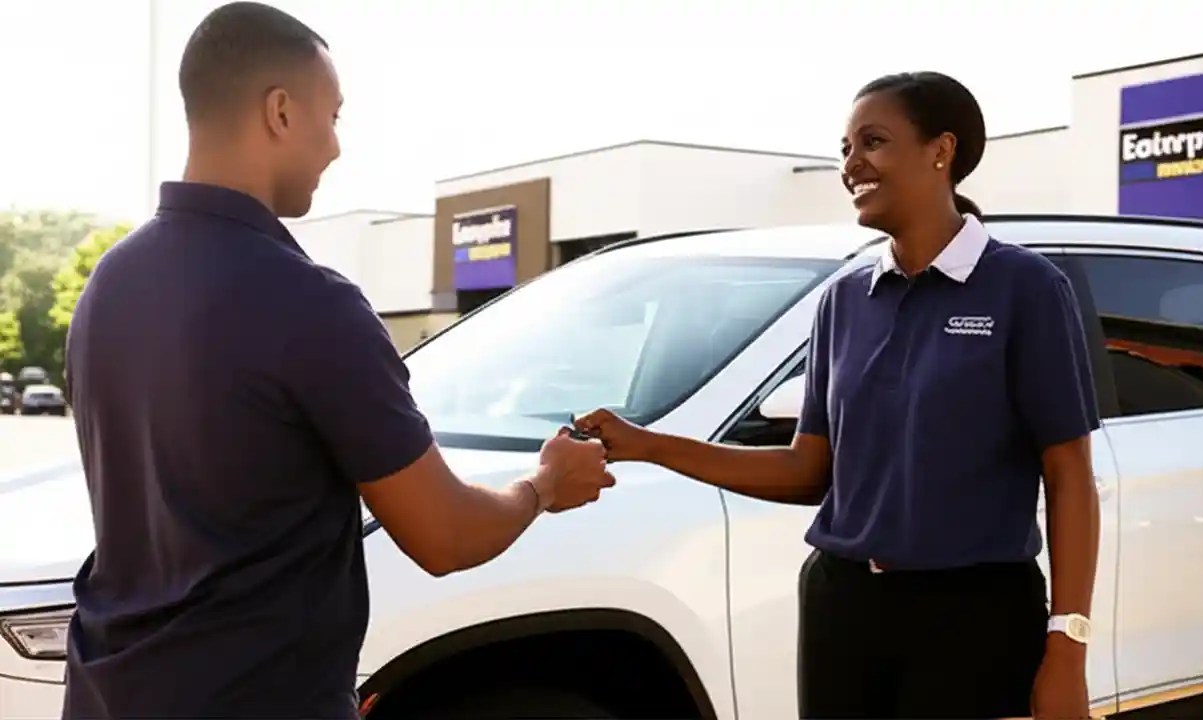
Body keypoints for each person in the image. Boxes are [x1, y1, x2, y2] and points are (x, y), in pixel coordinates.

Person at [61, 3, 613, 718]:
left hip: (106, 697)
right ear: (281, 112)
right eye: (334, 116)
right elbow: (444, 535)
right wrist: (543, 484)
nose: (335, 147)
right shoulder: (306, 301)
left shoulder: (109, 284)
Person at [576, 71, 1101, 720]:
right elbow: (807, 470)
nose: (852, 164)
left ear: (942, 151)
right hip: (841, 607)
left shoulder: (1026, 289)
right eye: (846, 148)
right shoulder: (844, 301)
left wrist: (1067, 648)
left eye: (873, 142)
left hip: (974, 614)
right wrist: (647, 444)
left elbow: (1069, 471)